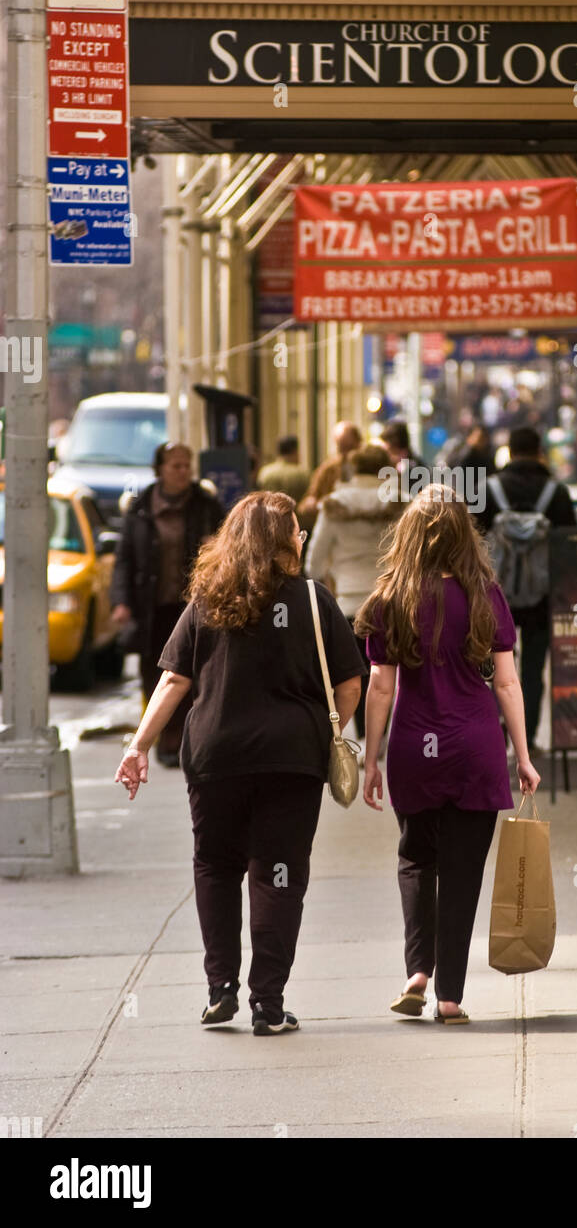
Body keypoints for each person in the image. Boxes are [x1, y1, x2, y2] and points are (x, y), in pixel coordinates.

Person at [115, 491, 365, 1035]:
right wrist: (333, 730)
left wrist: (138, 745)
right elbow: (349, 682)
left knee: (217, 866)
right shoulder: (312, 601)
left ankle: (220, 987)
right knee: (278, 875)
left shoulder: (208, 599)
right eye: (296, 531)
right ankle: (268, 1003)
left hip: (215, 755)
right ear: (282, 542)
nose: (301, 538)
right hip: (291, 761)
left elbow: (174, 679)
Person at [355, 485, 540, 1025]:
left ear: (408, 537)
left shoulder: (391, 597)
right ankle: (451, 997)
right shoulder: (485, 595)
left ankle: (418, 970)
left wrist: (372, 759)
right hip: (475, 747)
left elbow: (381, 688)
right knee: (462, 873)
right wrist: (523, 756)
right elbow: (507, 683)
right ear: (466, 537)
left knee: (416, 859)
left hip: (417, 746)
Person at [111, 442, 223, 768]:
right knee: (154, 673)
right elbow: (124, 558)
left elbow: (226, 545)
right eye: (176, 465)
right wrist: (121, 601)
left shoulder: (205, 504)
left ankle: (184, 739)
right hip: (152, 607)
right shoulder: (141, 506)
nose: (183, 471)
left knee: (192, 675)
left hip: (192, 606)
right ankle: (163, 738)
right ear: (159, 468)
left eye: (187, 465)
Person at [475, 426, 576, 756]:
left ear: (510, 451)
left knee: (494, 669)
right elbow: (569, 545)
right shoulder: (556, 493)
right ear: (539, 452)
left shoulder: (488, 490)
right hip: (542, 597)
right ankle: (528, 740)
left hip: (494, 595)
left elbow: (470, 542)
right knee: (533, 670)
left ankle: (498, 733)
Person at [305, 443, 404, 739]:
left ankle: (364, 736)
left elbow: (314, 562)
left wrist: (330, 588)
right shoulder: (403, 502)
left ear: (353, 469)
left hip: (349, 602)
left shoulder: (334, 504)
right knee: (393, 670)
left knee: (358, 671)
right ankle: (386, 735)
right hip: (393, 600)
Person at [297, 421, 362, 521]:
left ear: (359, 443)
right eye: (341, 447)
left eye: (349, 447)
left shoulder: (368, 466)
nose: (346, 453)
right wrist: (311, 502)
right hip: (335, 521)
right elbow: (311, 497)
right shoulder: (329, 468)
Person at [257, 435, 311, 504]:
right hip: (293, 513)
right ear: (295, 451)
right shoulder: (303, 474)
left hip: (270, 513)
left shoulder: (265, 472)